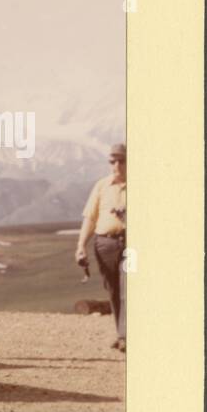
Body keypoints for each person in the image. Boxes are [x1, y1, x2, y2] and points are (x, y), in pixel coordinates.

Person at [76, 143, 127, 352]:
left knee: (128, 288)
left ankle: (126, 336)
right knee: (113, 289)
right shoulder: (101, 186)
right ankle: (120, 333)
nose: (116, 165)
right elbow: (90, 217)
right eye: (112, 161)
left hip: (130, 244)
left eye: (121, 161)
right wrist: (81, 245)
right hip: (105, 244)